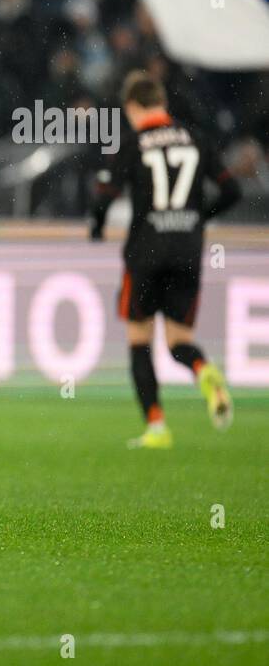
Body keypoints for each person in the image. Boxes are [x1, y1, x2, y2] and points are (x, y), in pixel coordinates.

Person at [90, 70, 240, 448]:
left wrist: (97, 226)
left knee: (140, 340)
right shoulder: (196, 138)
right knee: (178, 341)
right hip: (187, 251)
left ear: (132, 107)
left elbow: (105, 193)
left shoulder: (134, 142)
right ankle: (203, 369)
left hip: (145, 252)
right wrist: (199, 216)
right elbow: (232, 189)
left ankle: (157, 427)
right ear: (163, 104)